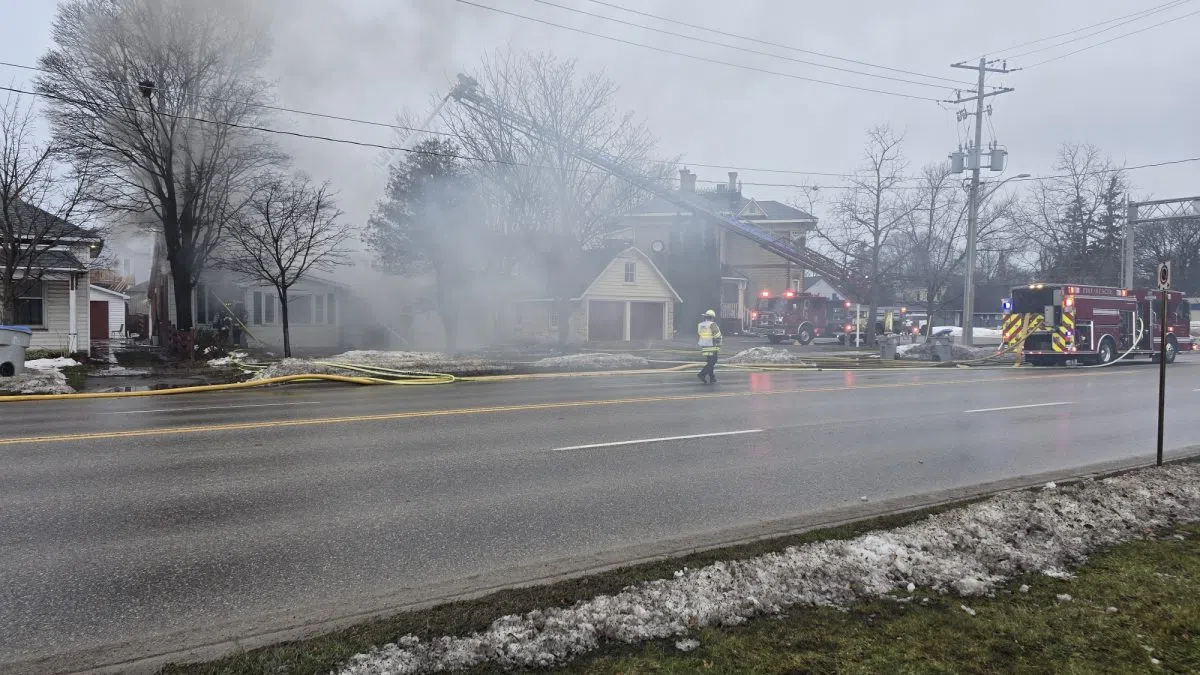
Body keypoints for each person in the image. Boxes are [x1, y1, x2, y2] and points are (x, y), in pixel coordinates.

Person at [697, 309, 722, 384]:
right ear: (712, 317)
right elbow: (717, 335)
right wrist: (719, 341)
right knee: (712, 362)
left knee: (710, 362)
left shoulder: (701, 325)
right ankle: (702, 374)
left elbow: (700, 334)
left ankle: (712, 377)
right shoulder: (712, 324)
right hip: (712, 346)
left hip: (705, 346)